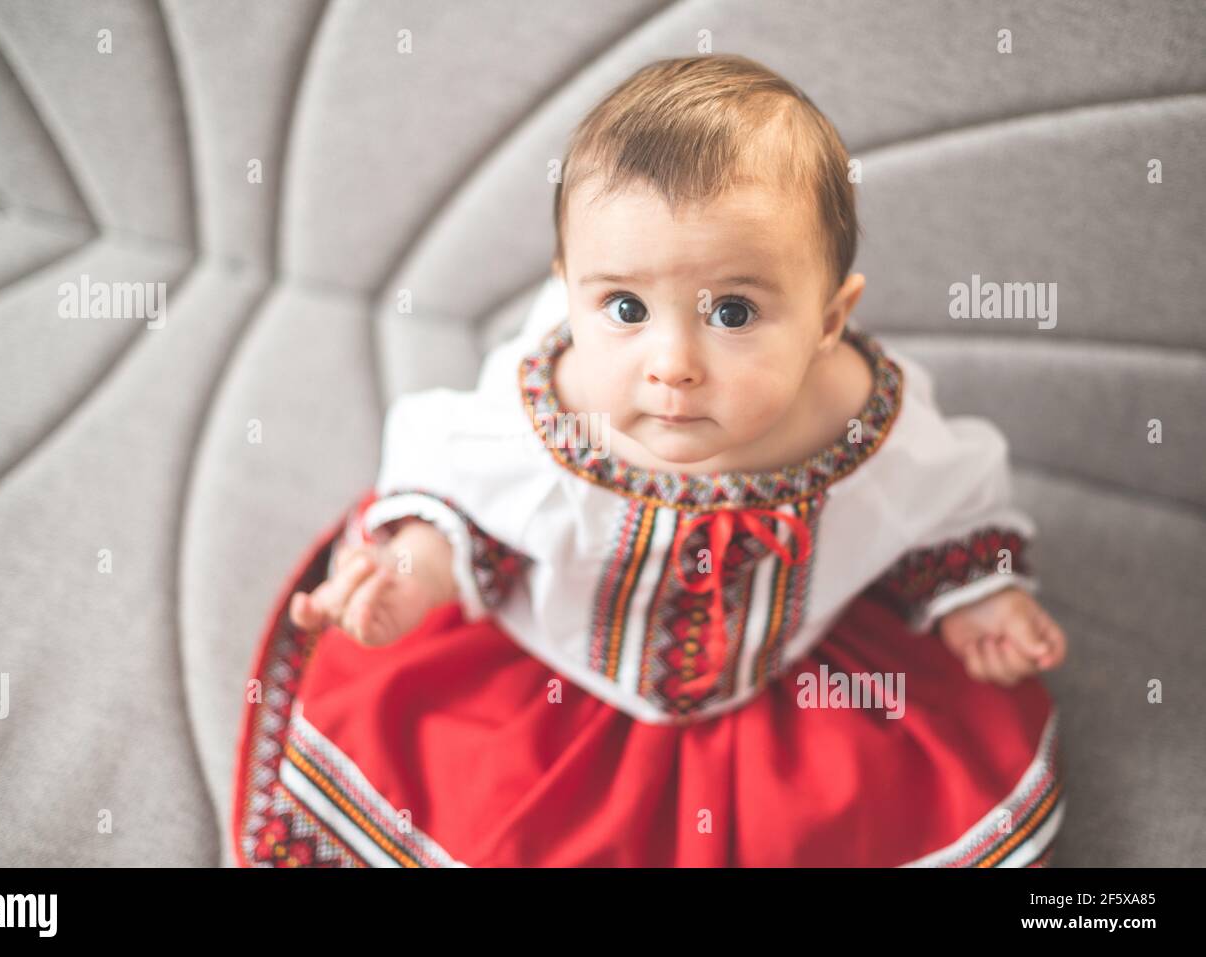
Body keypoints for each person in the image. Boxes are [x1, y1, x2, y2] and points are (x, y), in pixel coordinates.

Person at [232, 54, 1067, 867]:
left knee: (857, 813)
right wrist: (413, 571)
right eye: (625, 306)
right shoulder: (556, 418)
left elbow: (945, 502)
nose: (672, 363)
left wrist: (976, 596)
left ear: (828, 319)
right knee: (488, 813)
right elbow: (468, 496)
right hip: (556, 677)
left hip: (787, 682)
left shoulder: (867, 424)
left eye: (733, 311)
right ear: (568, 293)